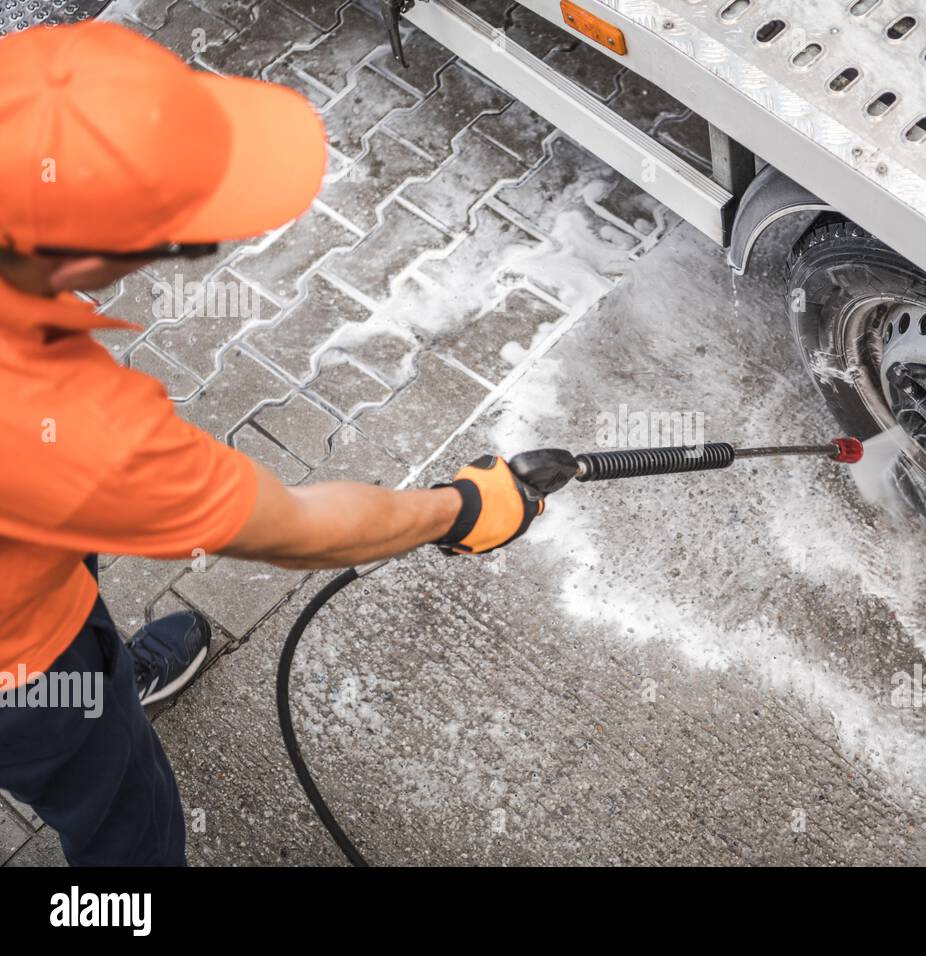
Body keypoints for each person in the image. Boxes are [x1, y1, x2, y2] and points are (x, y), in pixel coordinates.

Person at [0, 20, 545, 865]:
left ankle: (106, 679)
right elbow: (297, 529)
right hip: (19, 672)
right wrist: (464, 505)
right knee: (125, 828)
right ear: (76, 261)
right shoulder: (66, 425)